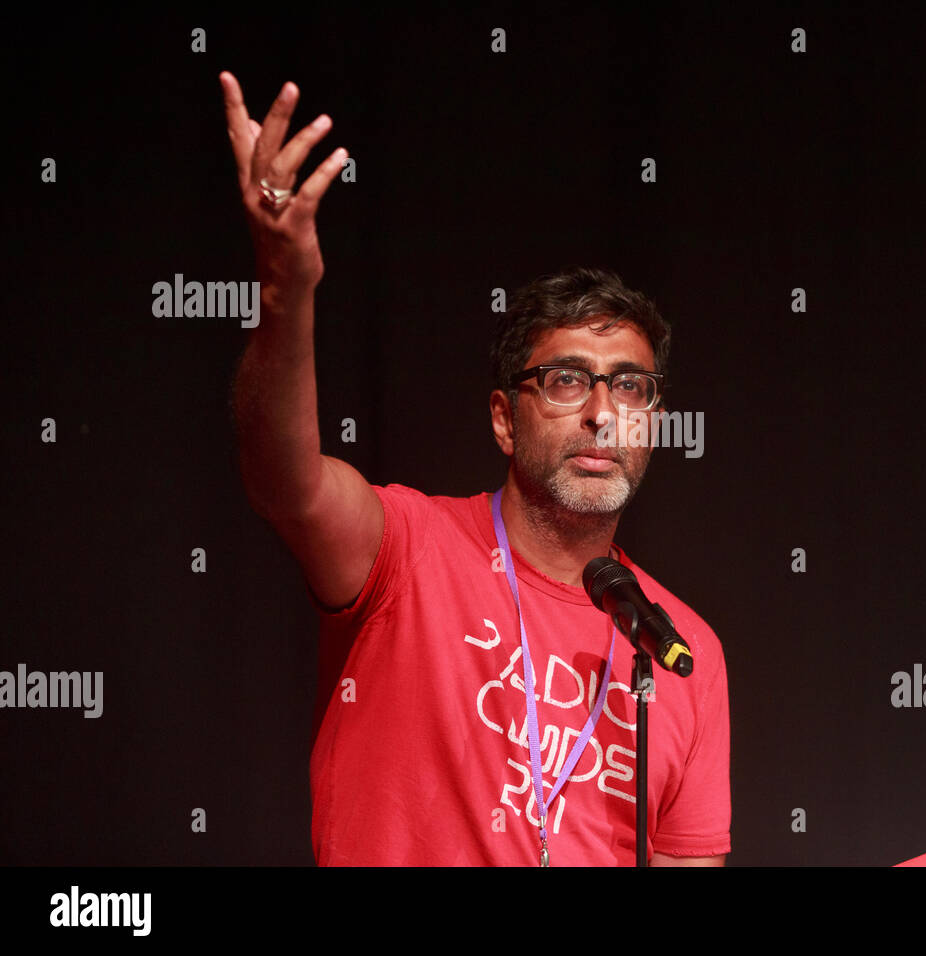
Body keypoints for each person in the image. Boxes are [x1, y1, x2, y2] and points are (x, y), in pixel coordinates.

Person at [220, 72, 730, 866]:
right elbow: (281, 478)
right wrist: (288, 288)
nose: (602, 411)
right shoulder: (407, 548)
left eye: (629, 386)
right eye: (567, 380)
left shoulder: (678, 646)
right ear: (503, 418)